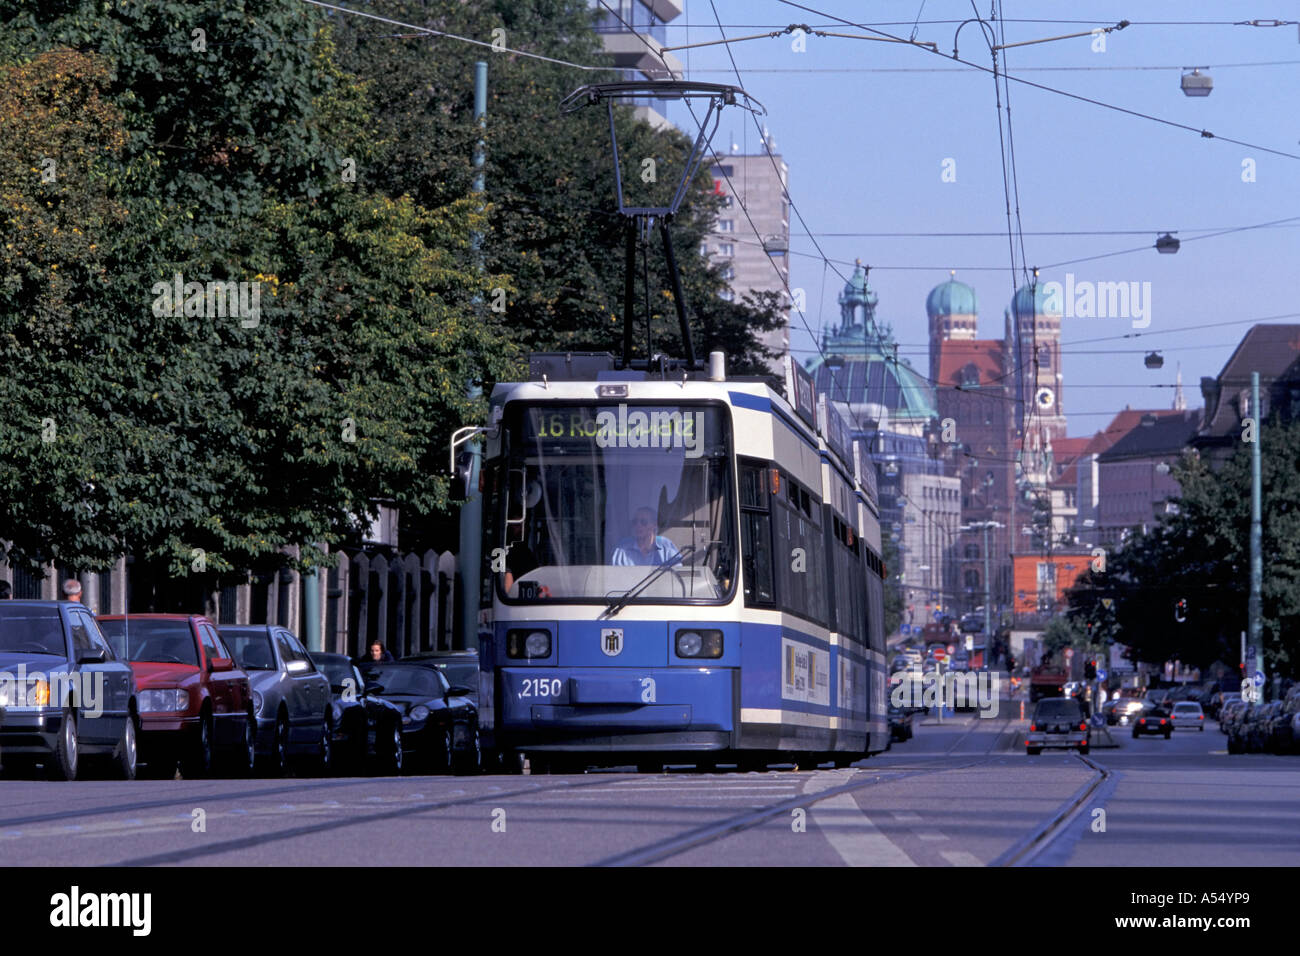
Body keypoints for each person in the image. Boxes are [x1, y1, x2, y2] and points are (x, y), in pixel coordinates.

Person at [609, 507, 681, 567]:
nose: (638, 525)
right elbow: (615, 576)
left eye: (643, 522)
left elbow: (676, 576)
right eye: (635, 522)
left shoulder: (666, 546)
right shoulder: (622, 548)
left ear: (654, 525)